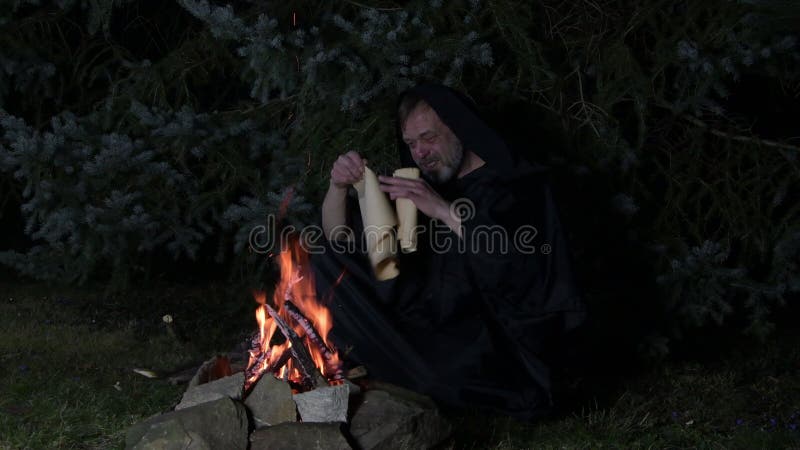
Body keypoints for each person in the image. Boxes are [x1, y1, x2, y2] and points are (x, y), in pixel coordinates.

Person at [313, 83, 585, 420]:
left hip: (502, 350)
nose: (420, 153)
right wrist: (337, 187)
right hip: (430, 324)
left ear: (461, 130)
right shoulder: (427, 186)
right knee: (325, 261)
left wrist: (443, 211)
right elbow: (338, 239)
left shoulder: (518, 184)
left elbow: (525, 276)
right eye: (411, 143)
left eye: (429, 138)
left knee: (434, 376)